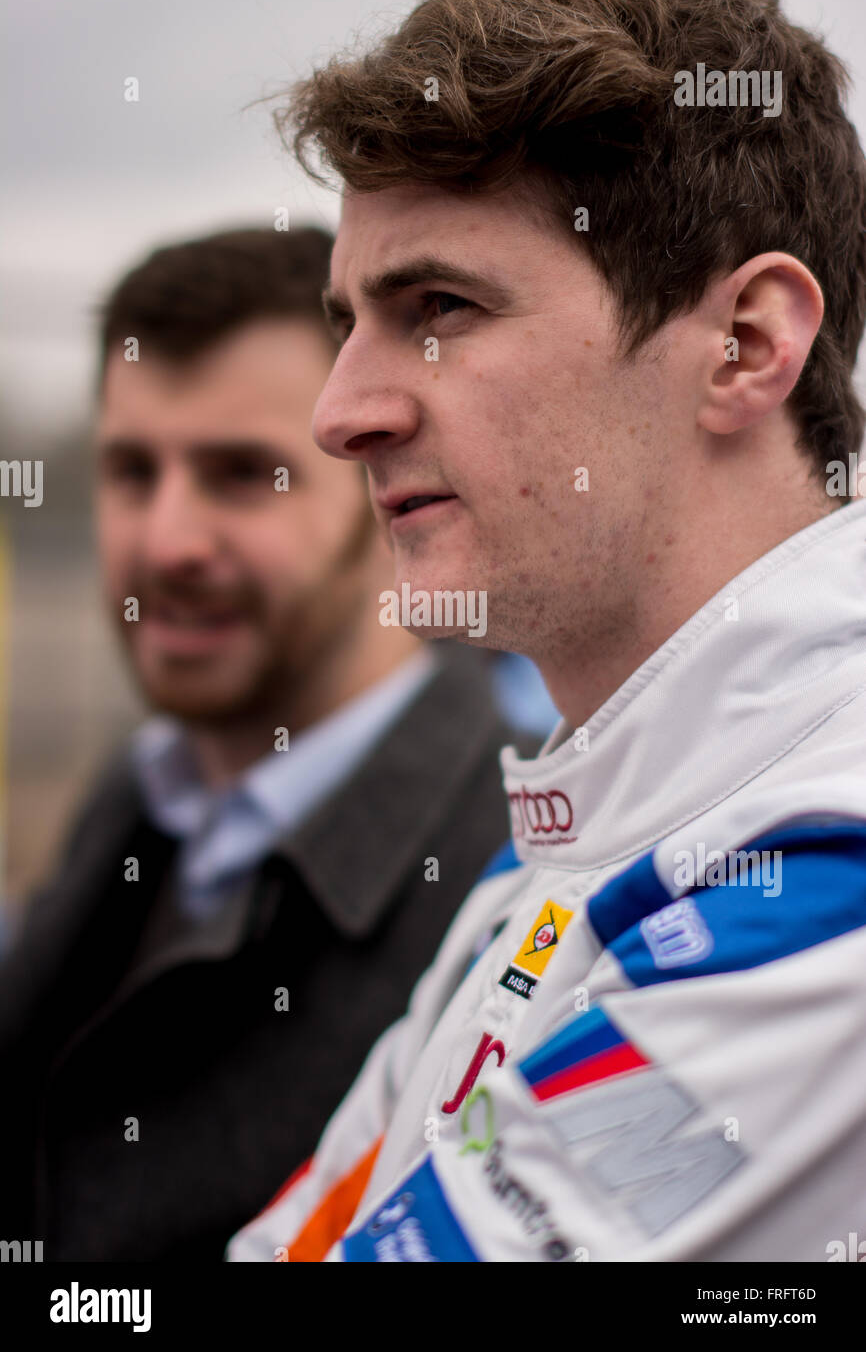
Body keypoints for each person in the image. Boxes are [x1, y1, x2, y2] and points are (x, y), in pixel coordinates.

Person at [229, 0, 866, 1262]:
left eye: (440, 310)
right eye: (348, 320)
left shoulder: (824, 855)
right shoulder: (558, 850)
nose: (339, 412)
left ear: (745, 344)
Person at [0, 226, 529, 1261]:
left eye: (243, 474)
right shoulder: (146, 792)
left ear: (385, 482)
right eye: (129, 471)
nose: (166, 540)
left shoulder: (503, 882)